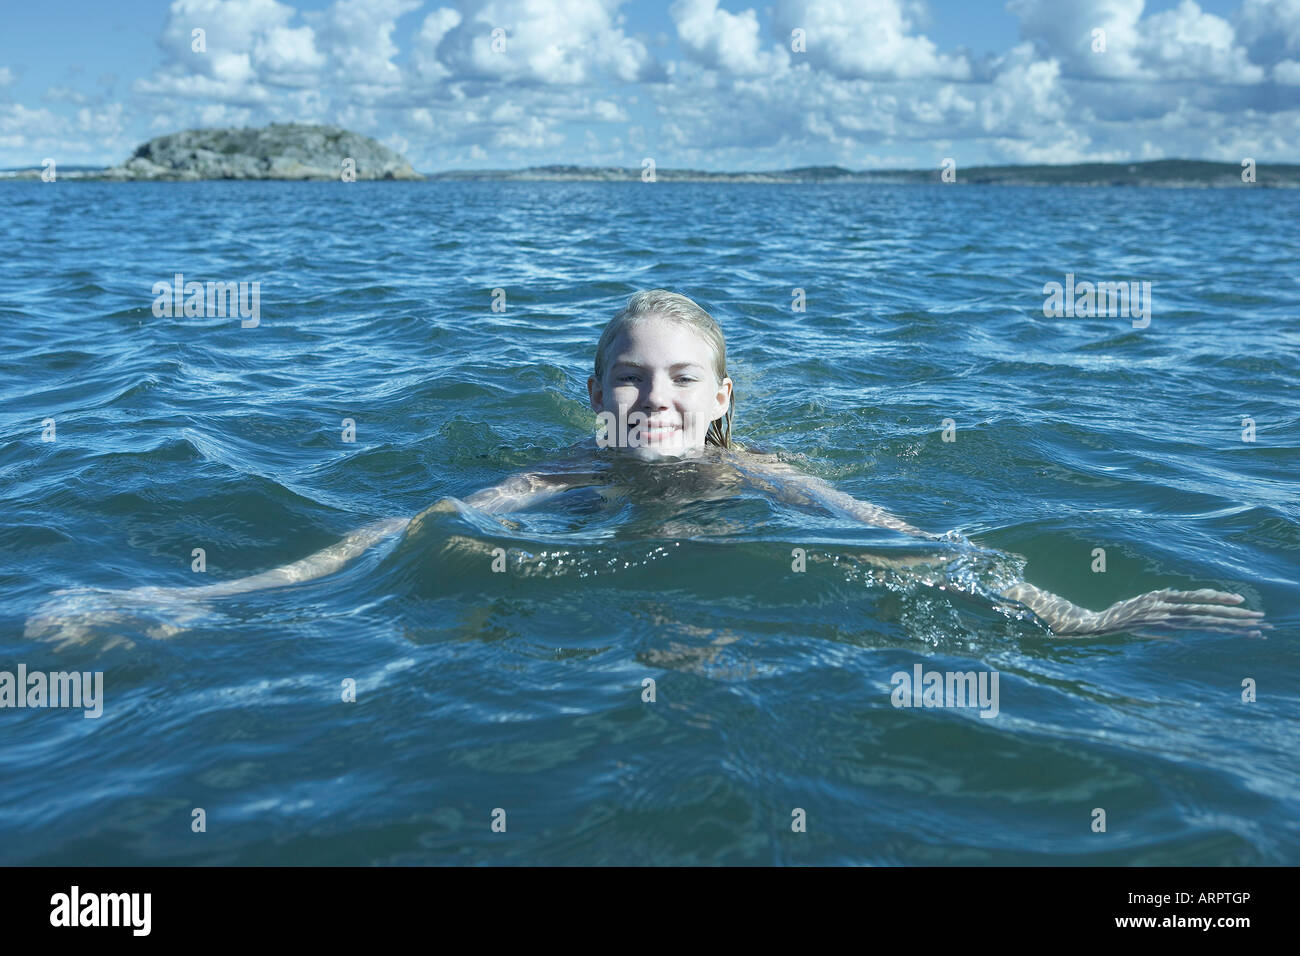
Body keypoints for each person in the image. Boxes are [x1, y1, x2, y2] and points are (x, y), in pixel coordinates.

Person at [35, 290, 1268, 640]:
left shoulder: (763, 476)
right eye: (630, 378)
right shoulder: (560, 476)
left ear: (722, 401)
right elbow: (385, 535)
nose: (654, 399)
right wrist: (185, 600)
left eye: (681, 381)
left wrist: (1075, 613)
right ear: (595, 397)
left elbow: (908, 538)